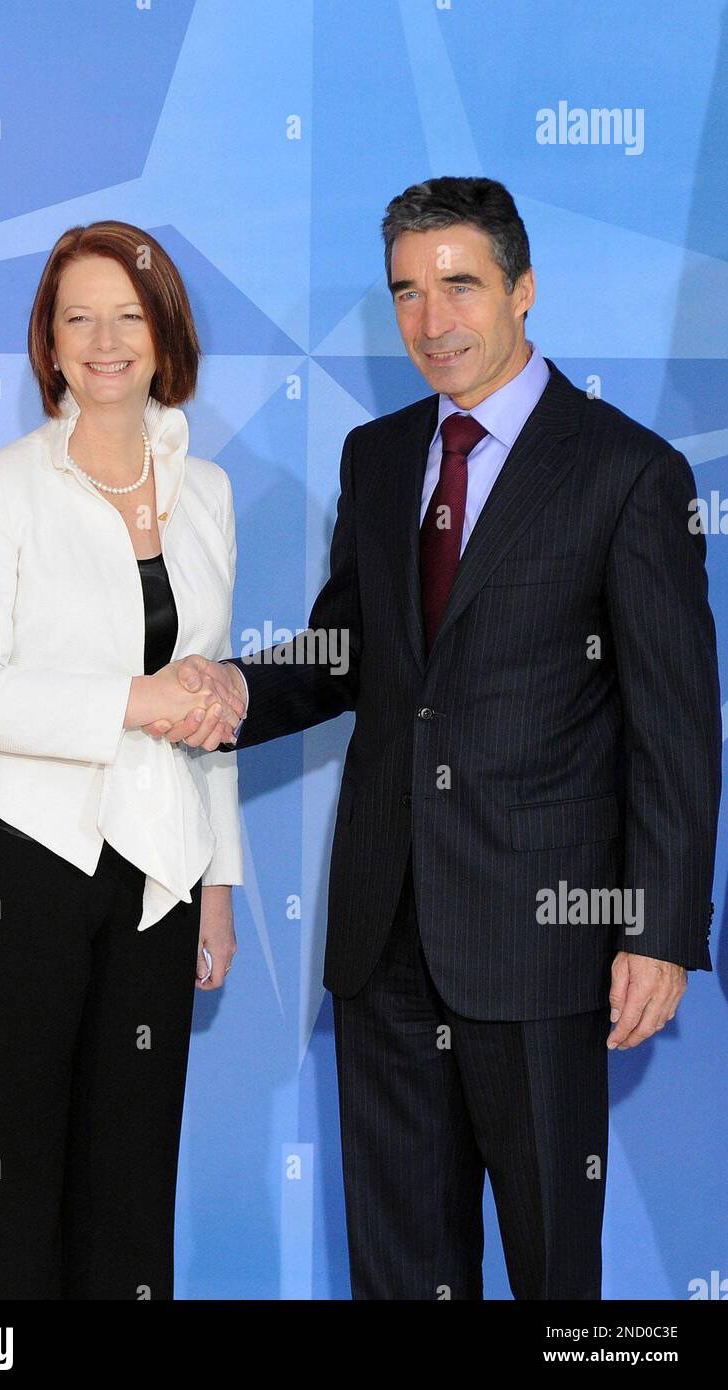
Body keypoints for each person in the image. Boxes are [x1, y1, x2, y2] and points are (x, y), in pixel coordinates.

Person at [158, 178, 722, 1299]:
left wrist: (657, 931)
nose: (430, 320)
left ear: (521, 289)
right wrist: (221, 688)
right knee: (400, 1271)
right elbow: (349, 653)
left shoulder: (625, 471)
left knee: (555, 1267)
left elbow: (675, 724)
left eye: (458, 284)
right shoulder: (375, 456)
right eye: (406, 292)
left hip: (542, 944)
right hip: (383, 941)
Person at [0, 220, 245, 1300]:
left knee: (130, 1173)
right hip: (8, 855)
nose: (106, 339)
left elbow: (213, 702)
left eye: (128, 314)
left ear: (164, 334)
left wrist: (217, 881)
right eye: (78, 318)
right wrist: (130, 701)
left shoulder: (206, 494)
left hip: (154, 870)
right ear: (48, 345)